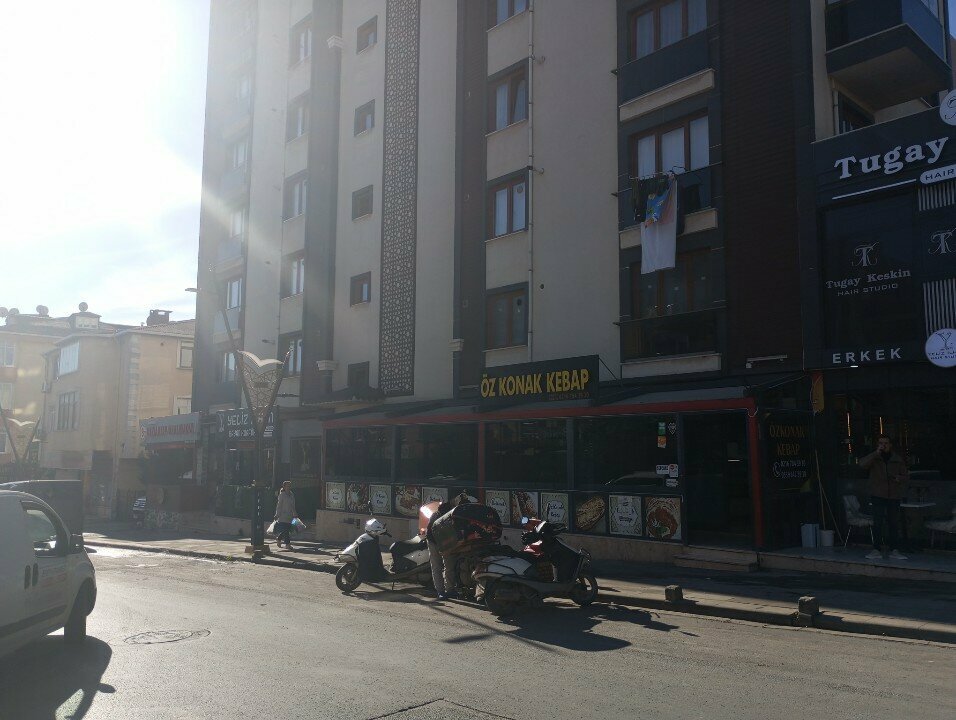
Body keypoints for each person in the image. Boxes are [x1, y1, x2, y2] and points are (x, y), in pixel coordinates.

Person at [859, 435, 909, 561]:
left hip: (893, 495)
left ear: (890, 445)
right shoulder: (875, 458)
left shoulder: (897, 459)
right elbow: (862, 465)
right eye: (881, 443)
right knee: (878, 523)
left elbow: (906, 476)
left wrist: (899, 478)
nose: (883, 445)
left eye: (886, 443)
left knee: (893, 523)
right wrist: (876, 453)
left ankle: (894, 550)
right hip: (878, 494)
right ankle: (876, 549)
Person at [425, 493, 469, 600]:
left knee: (449, 566)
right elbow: (443, 535)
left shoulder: (455, 511)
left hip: (445, 539)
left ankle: (450, 590)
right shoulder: (445, 515)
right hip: (434, 540)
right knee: (437, 566)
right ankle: (440, 591)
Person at [274, 481, 298, 551]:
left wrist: (295, 513)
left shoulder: (291, 495)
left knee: (286, 530)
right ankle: (287, 544)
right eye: (287, 486)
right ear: (284, 487)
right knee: (286, 530)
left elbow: (293, 505)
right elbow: (279, 506)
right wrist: (277, 514)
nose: (288, 487)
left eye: (289, 486)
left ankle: (279, 539)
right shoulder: (282, 495)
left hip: (290, 515)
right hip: (283, 515)